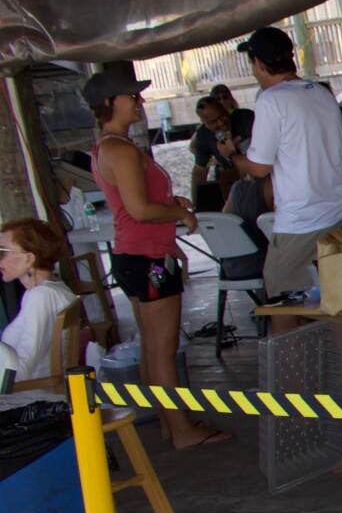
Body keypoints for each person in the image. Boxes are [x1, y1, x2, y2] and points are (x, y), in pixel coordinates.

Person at [85, 71, 229, 447]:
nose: (139, 101)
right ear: (108, 103)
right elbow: (139, 209)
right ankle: (180, 430)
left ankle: (171, 422)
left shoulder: (107, 148)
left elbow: (141, 205)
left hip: (134, 254)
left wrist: (168, 207)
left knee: (153, 346)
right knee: (163, 348)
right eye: (130, 95)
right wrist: (180, 215)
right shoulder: (120, 149)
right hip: (146, 256)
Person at [225, 26, 342, 332]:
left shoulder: (272, 100)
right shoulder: (321, 93)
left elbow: (258, 168)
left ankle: (294, 375)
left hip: (301, 219)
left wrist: (231, 155)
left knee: (280, 302)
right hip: (341, 211)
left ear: (257, 63)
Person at [0, 217, 78, 383]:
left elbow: (20, 373)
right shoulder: (46, 290)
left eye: (2, 252)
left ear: (28, 258)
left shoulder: (41, 297)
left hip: (31, 393)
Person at [189, 95, 255, 210]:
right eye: (213, 122)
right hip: (235, 183)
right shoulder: (204, 136)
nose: (221, 123)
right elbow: (200, 172)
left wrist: (233, 153)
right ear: (204, 123)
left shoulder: (246, 118)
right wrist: (196, 207)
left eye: (223, 116)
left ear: (226, 110)